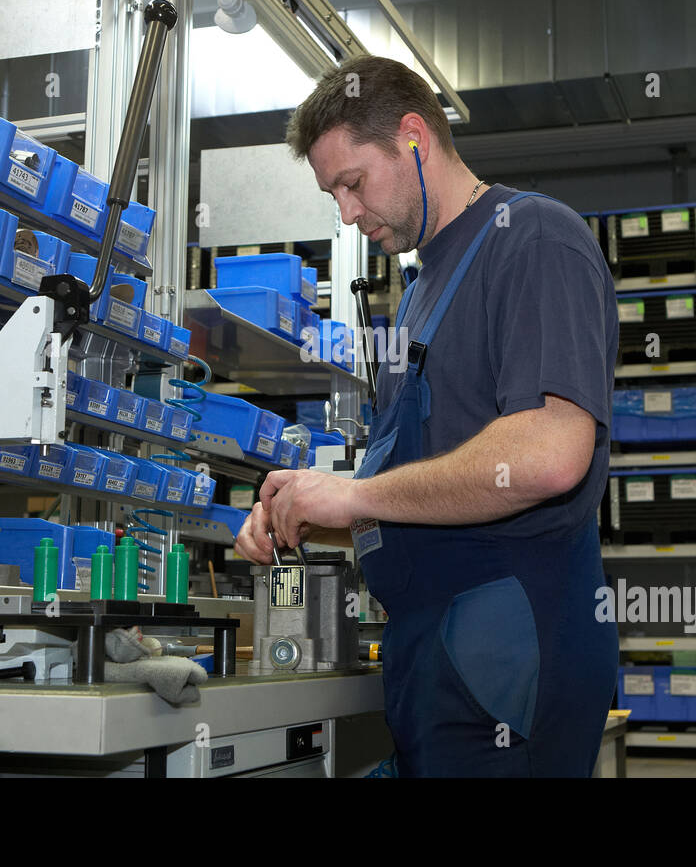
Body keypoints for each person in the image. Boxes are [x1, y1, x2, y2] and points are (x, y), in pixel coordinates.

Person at [233, 55, 619, 777]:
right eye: (332, 194)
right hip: (434, 669)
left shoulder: (532, 237)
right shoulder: (418, 292)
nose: (346, 212)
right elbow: (426, 471)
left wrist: (353, 495)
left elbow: (549, 451)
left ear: (414, 137)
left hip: (508, 669)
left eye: (352, 183)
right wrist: (308, 512)